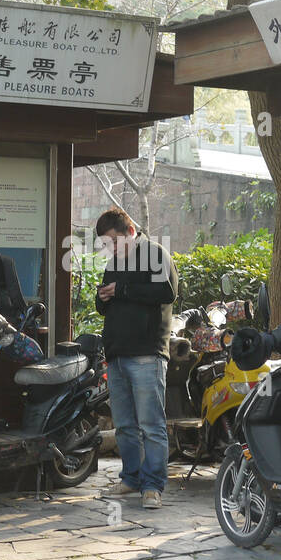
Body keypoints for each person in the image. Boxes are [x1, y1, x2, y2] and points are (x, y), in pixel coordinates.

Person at [94, 207, 178, 509]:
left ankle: (153, 486)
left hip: (147, 353)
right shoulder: (114, 262)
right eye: (105, 245)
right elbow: (108, 303)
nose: (110, 249)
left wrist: (123, 289)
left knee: (151, 424)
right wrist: (101, 297)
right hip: (117, 354)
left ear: (130, 232)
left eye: (113, 242)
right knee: (125, 426)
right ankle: (131, 478)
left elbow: (167, 292)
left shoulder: (155, 253)